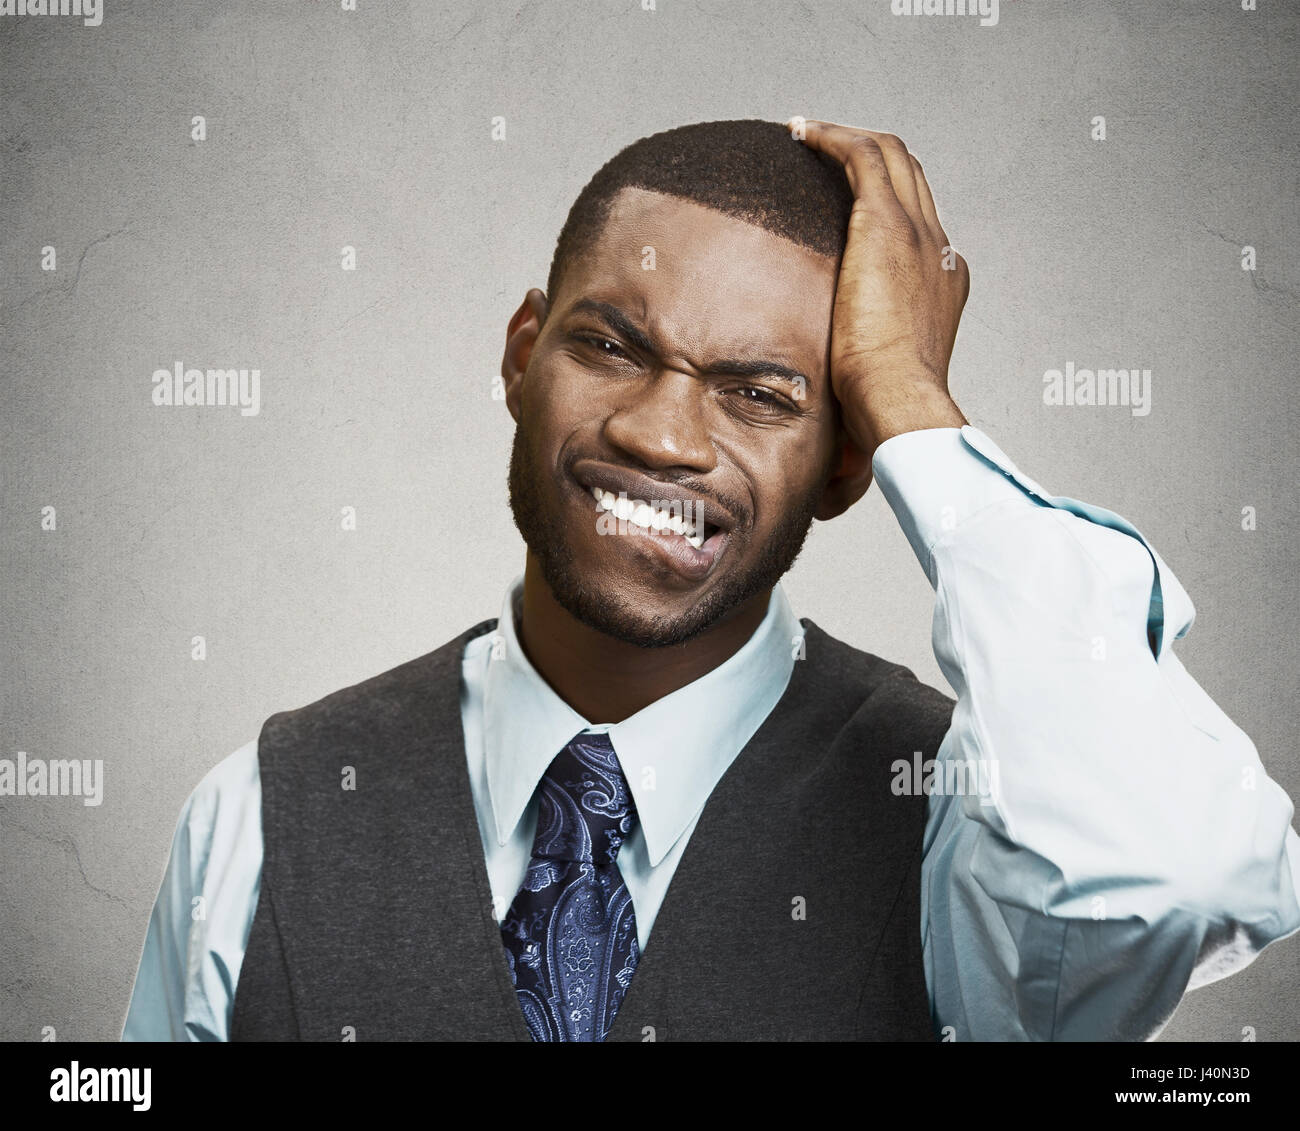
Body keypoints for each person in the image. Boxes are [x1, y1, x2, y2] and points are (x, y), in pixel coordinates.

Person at [122, 118, 1300, 1042]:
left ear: (848, 464)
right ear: (522, 356)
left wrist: (910, 404)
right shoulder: (262, 815)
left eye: (759, 394)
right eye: (610, 347)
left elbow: (1175, 874)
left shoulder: (961, 824)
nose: (662, 436)